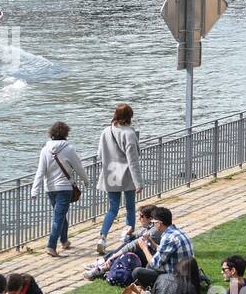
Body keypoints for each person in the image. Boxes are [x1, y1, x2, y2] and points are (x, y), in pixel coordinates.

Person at [30, 121, 89, 257]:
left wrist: (34, 190)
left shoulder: (45, 149)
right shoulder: (69, 149)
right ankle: (51, 246)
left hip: (49, 189)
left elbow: (40, 171)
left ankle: (64, 240)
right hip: (64, 188)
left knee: (60, 214)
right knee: (59, 216)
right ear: (66, 133)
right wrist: (86, 181)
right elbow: (78, 167)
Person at [95, 104, 143, 255]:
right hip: (126, 173)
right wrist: (139, 183)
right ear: (129, 116)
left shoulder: (106, 131)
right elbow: (133, 160)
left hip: (111, 171)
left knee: (113, 208)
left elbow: (99, 155)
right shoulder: (129, 133)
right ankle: (127, 237)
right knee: (130, 207)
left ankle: (102, 237)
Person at [85, 205, 156, 283]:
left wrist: (113, 256)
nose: (139, 219)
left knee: (130, 248)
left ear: (150, 219)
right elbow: (136, 237)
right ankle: (103, 264)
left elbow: (133, 244)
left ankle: (102, 267)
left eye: (142, 216)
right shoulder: (147, 228)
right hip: (147, 256)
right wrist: (129, 234)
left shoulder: (153, 231)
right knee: (129, 244)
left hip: (149, 259)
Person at [131, 205, 194, 284]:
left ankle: (153, 289)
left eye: (154, 223)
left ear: (159, 223)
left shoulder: (167, 238)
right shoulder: (179, 232)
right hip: (186, 274)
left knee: (137, 272)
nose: (153, 225)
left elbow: (155, 264)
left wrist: (144, 248)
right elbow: (164, 251)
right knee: (148, 266)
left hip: (176, 279)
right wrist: (151, 241)